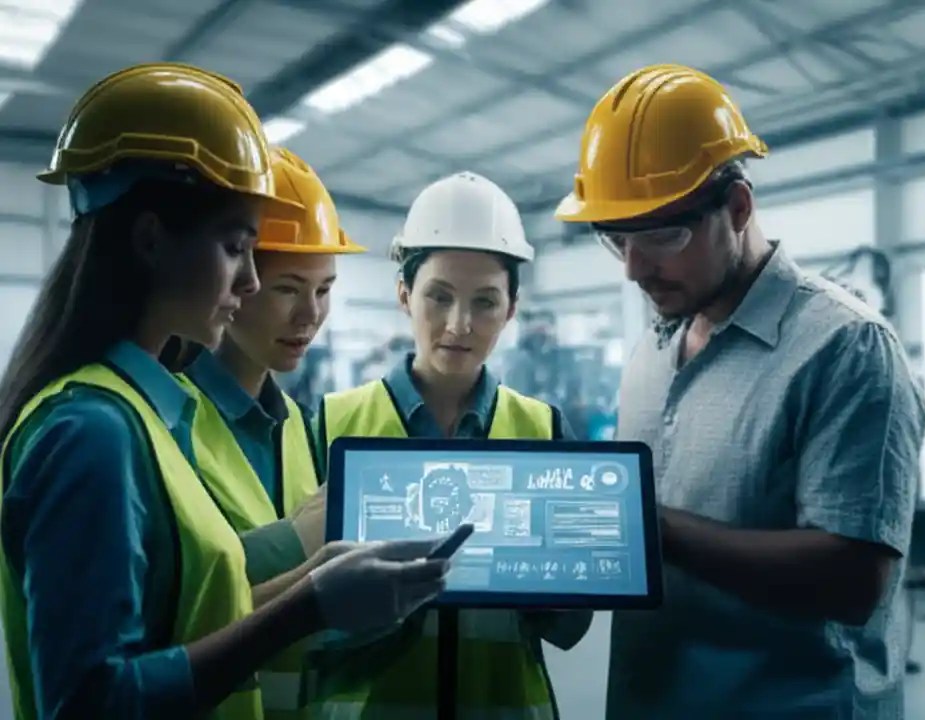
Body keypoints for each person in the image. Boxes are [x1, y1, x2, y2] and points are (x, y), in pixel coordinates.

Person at [0, 63, 451, 720]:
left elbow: (187, 622)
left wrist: (321, 576)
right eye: (237, 248)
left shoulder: (146, 416)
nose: (247, 285)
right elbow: (89, 702)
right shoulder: (89, 430)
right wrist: (306, 605)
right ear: (152, 239)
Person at [555, 63, 925, 720]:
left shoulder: (844, 347)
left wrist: (657, 526)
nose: (636, 269)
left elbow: (854, 579)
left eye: (662, 235)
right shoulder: (652, 351)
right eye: (615, 240)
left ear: (737, 207)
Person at [307, 171, 592, 719]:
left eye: (485, 302)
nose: (459, 324)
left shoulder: (545, 431)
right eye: (439, 297)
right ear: (404, 296)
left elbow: (570, 624)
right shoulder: (329, 426)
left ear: (511, 309)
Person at [177, 144, 366, 718]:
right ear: (238, 275)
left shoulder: (297, 426)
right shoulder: (166, 419)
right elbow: (172, 611)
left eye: (325, 288)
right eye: (288, 288)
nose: (310, 314)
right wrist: (297, 542)